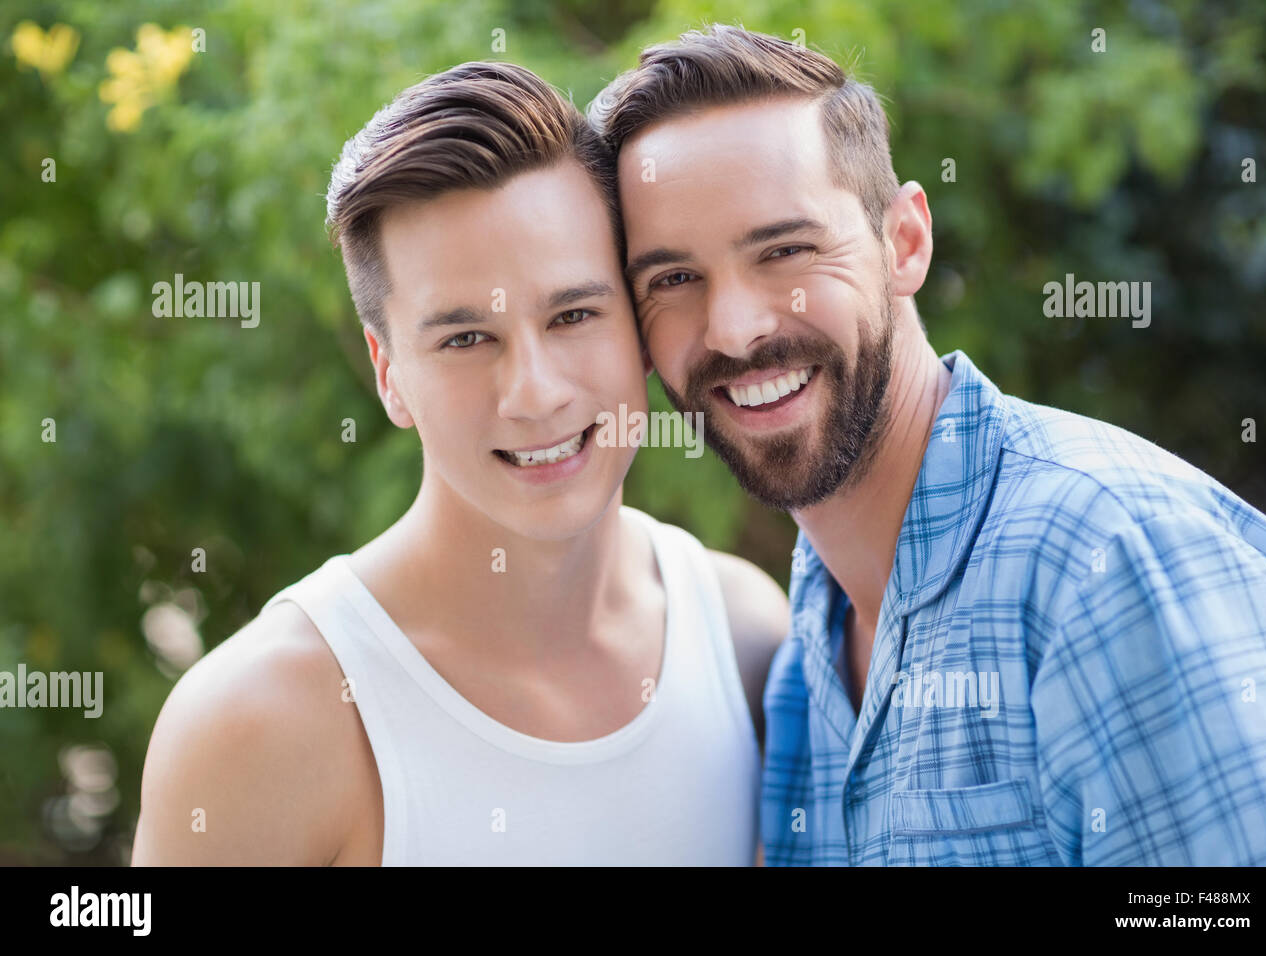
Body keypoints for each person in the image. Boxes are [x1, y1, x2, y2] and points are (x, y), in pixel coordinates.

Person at [591, 24, 1266, 865]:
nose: (737, 330)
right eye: (674, 279)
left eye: (786, 250)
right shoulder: (801, 667)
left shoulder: (1104, 557)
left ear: (905, 242)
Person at [132, 62, 789, 866]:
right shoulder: (261, 720)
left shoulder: (744, 636)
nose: (534, 393)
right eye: (465, 339)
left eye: (574, 314)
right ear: (388, 374)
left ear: (639, 324)